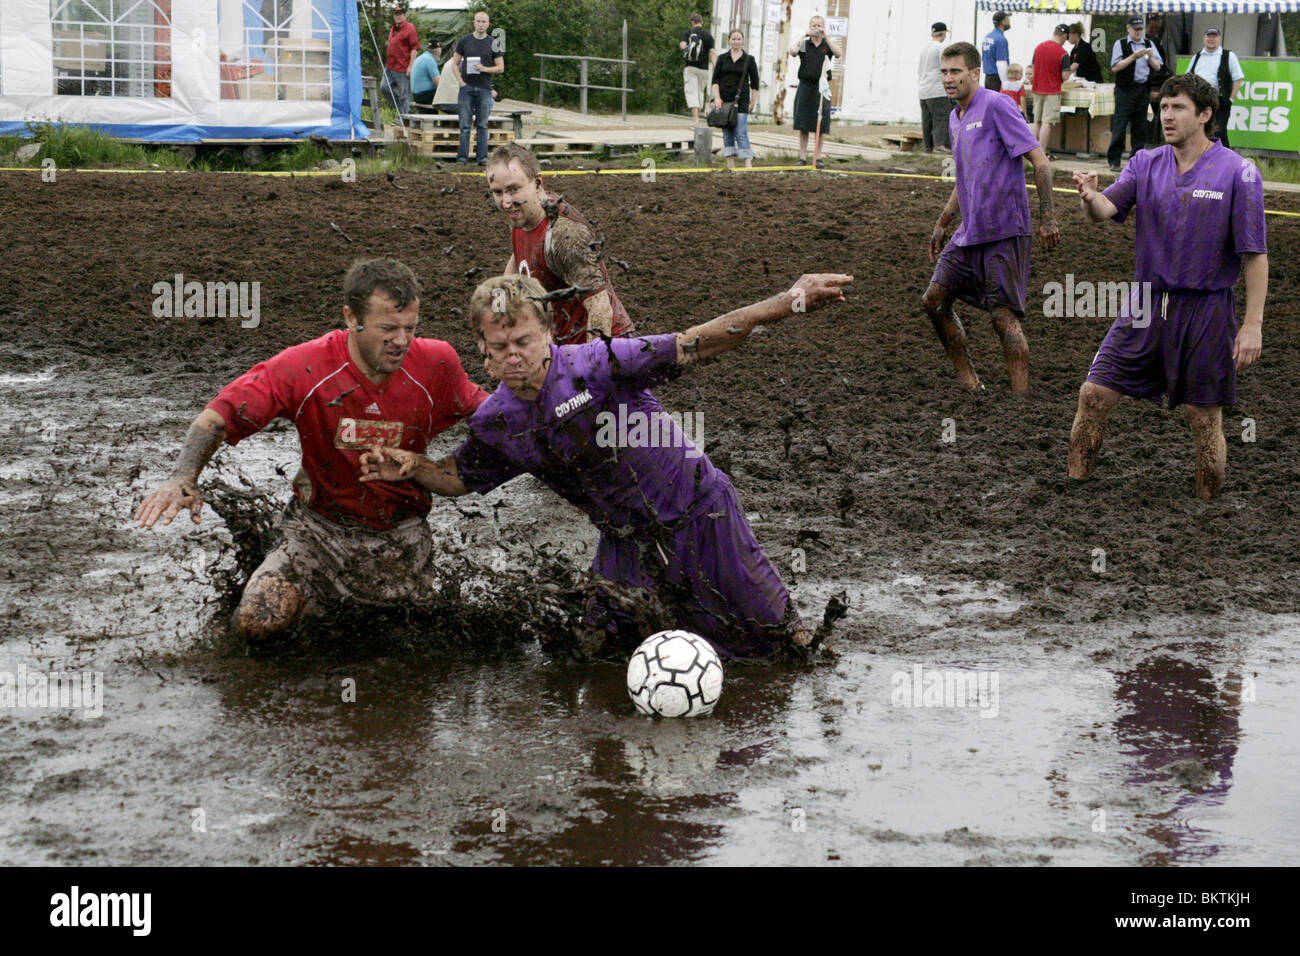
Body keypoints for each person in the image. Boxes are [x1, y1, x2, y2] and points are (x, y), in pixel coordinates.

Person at [359, 271, 854, 660]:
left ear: (548, 333)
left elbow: (695, 342)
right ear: (483, 352)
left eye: (524, 342)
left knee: (785, 642)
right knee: (593, 647)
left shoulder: (597, 364)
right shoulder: (497, 422)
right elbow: (459, 478)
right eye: (500, 347)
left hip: (702, 513)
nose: (514, 356)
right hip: (626, 542)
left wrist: (788, 300)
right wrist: (412, 466)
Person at [134, 259, 488, 642]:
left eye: (410, 328)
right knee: (258, 621)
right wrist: (183, 477)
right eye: (388, 329)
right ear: (352, 318)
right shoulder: (305, 366)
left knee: (396, 647)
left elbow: (495, 418)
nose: (402, 341)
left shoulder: (436, 363)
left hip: (399, 539)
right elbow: (217, 417)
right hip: (316, 533)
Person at [1068, 74, 1267, 501]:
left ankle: (1207, 508)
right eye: (1163, 108)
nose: (1167, 116)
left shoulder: (1239, 172)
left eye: (1178, 108)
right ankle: (1074, 489)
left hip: (1207, 309)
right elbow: (1107, 210)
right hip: (1146, 303)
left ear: (1206, 114)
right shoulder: (1145, 161)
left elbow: (1255, 255)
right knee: (1094, 394)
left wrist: (1252, 325)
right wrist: (1089, 198)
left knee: (1203, 418)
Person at [921, 42, 1061, 394]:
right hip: (969, 233)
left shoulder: (999, 105)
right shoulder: (955, 118)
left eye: (955, 71)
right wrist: (944, 220)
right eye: (944, 72)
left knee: (1002, 318)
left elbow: (1040, 162)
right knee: (933, 301)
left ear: (974, 73)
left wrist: (1048, 218)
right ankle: (970, 382)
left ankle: (1020, 399)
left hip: (1004, 230)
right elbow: (964, 175)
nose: (948, 79)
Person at [486, 143, 634, 344]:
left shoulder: (564, 234)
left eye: (513, 189)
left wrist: (591, 368)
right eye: (498, 192)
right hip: (560, 349)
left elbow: (600, 307)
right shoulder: (522, 215)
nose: (505, 202)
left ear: (538, 183)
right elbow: (518, 257)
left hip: (607, 349)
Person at [1108, 15, 1163, 172]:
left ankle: (1136, 160)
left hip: (1142, 88)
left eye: (1140, 29)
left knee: (1140, 126)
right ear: (1128, 28)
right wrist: (1133, 56)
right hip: (1125, 90)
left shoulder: (1148, 44)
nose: (1138, 32)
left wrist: (1150, 57)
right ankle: (1115, 160)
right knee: (1120, 125)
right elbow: (1115, 67)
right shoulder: (1121, 44)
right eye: (1135, 29)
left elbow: (1158, 67)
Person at [788, 15, 842, 168]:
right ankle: (802, 157)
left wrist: (827, 37)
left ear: (823, 27)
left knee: (821, 124)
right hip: (805, 86)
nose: (816, 28)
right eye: (814, 25)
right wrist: (804, 35)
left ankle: (818, 158)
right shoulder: (805, 44)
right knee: (803, 124)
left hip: (822, 88)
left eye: (819, 25)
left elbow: (838, 54)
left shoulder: (827, 44)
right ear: (810, 27)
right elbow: (792, 52)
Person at [451, 10, 504, 166]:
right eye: (478, 21)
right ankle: (462, 158)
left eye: (484, 22)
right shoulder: (464, 41)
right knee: (465, 125)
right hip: (466, 88)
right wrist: (460, 80)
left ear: (488, 24)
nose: (481, 25)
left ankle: (482, 158)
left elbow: (500, 67)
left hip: (485, 88)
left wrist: (485, 69)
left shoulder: (493, 43)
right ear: (474, 22)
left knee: (482, 125)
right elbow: (454, 63)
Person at [1187, 26, 1244, 148]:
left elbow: (1238, 79)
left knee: (1219, 132)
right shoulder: (1197, 56)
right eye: (1209, 36)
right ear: (1204, 38)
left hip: (1220, 101)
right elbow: (1188, 78)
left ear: (1220, 39)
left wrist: (1231, 99)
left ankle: (1227, 161)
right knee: (1199, 131)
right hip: (1198, 100)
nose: (1211, 39)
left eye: (1214, 36)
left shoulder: (1229, 56)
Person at [712, 30, 760, 169]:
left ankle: (747, 161)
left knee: (740, 131)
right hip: (724, 100)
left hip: (742, 100)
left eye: (739, 39)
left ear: (743, 41)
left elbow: (755, 84)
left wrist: (753, 101)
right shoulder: (722, 59)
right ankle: (730, 163)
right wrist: (717, 98)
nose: (736, 41)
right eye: (733, 39)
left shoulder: (749, 60)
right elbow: (715, 80)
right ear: (729, 40)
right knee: (727, 131)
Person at [1030, 24, 1075, 151]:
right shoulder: (1063, 53)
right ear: (1065, 36)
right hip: (1052, 91)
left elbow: (1033, 69)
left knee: (1036, 122)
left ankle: (1032, 152)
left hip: (1037, 89)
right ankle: (1042, 152)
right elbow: (1065, 76)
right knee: (1046, 123)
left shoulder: (1038, 47)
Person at [918, 22, 953, 152]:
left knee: (927, 120)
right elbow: (944, 68)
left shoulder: (924, 47)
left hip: (923, 88)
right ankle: (941, 144)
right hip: (937, 88)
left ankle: (928, 146)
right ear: (943, 33)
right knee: (941, 117)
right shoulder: (940, 47)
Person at [1143, 13, 1175, 149]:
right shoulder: (1145, 41)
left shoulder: (1156, 43)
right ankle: (1149, 140)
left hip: (1155, 82)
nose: (1154, 30)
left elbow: (1160, 65)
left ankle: (1155, 140)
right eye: (1152, 27)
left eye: (1156, 27)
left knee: (1157, 114)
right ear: (1146, 26)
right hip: (1146, 83)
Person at [383, 4, 420, 117]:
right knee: (384, 87)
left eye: (400, 14)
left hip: (402, 67)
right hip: (390, 66)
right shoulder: (393, 28)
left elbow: (414, 48)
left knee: (404, 95)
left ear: (404, 16)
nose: (398, 17)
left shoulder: (410, 28)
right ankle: (403, 110)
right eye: (396, 14)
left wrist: (410, 66)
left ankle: (404, 119)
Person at [680, 13, 716, 127]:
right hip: (704, 70)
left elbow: (682, 45)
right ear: (702, 22)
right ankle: (698, 117)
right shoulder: (709, 36)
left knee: (691, 92)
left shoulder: (689, 32)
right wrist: (717, 67)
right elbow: (712, 53)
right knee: (700, 92)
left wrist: (686, 49)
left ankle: (695, 120)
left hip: (691, 67)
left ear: (692, 22)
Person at [981, 11, 1011, 91]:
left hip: (988, 78)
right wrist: (1005, 83)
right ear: (1003, 22)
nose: (1009, 21)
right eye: (1007, 19)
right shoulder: (1001, 39)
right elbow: (1001, 63)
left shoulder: (988, 37)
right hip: (997, 79)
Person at [411, 37, 442, 109]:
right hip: (424, 96)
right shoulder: (430, 60)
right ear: (436, 50)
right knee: (450, 100)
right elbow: (438, 82)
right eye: (441, 48)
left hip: (416, 95)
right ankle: (452, 119)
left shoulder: (421, 57)